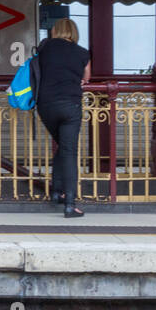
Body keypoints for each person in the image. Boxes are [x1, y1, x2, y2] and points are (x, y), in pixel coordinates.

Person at [36, 17, 91, 219]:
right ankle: (70, 204)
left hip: (46, 106)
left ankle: (57, 191)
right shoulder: (82, 53)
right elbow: (86, 78)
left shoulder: (45, 47)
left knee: (62, 146)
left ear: (55, 31)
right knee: (69, 152)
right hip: (70, 106)